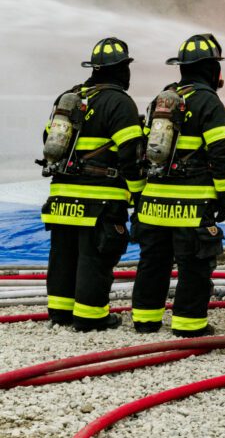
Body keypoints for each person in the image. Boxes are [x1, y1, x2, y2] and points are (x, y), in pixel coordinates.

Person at [130, 34, 225, 337]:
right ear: (211, 68)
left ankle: (145, 321)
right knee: (194, 265)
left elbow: (143, 149)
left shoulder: (161, 100)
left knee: (153, 262)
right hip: (191, 205)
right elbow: (220, 153)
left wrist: (139, 194)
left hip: (153, 203)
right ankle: (189, 325)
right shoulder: (208, 102)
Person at [38, 37, 145, 331]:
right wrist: (137, 193)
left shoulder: (68, 98)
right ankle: (91, 316)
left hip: (60, 196)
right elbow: (131, 155)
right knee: (94, 256)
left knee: (62, 256)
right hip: (100, 198)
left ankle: (60, 313)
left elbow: (48, 140)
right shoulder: (120, 102)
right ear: (122, 69)